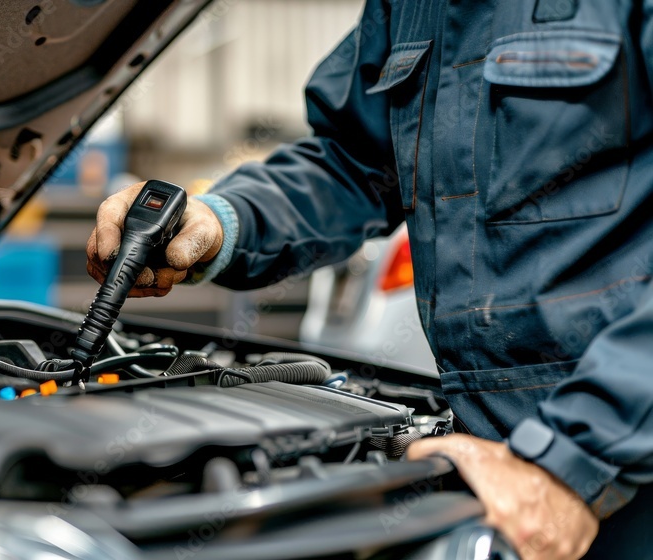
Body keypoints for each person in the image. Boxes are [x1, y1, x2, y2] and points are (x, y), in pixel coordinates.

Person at [86, 1, 653, 558]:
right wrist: (222, 221)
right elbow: (352, 162)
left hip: (618, 462)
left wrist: (573, 459)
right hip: (490, 466)